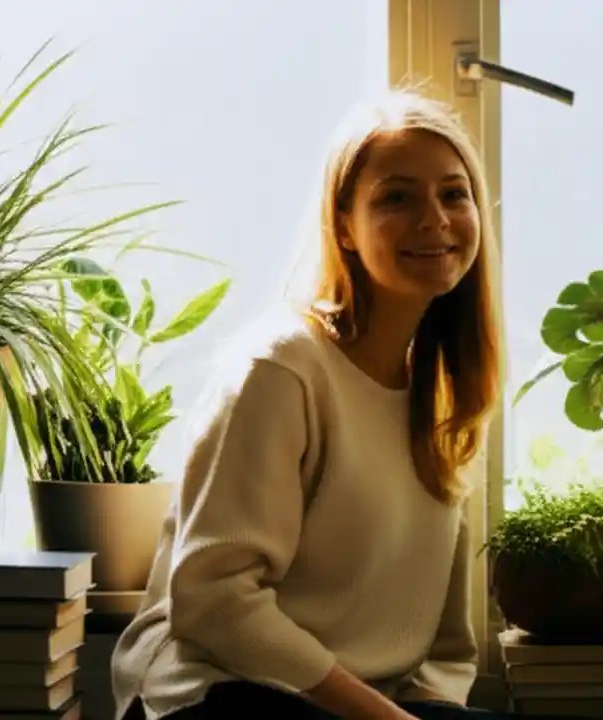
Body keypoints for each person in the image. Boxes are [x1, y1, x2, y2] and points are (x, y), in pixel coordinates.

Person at [110, 88, 508, 720]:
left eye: (454, 194)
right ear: (343, 225)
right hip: (219, 694)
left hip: (359, 704)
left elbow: (445, 645)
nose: (434, 219)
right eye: (397, 198)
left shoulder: (444, 398)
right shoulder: (280, 369)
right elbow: (215, 600)